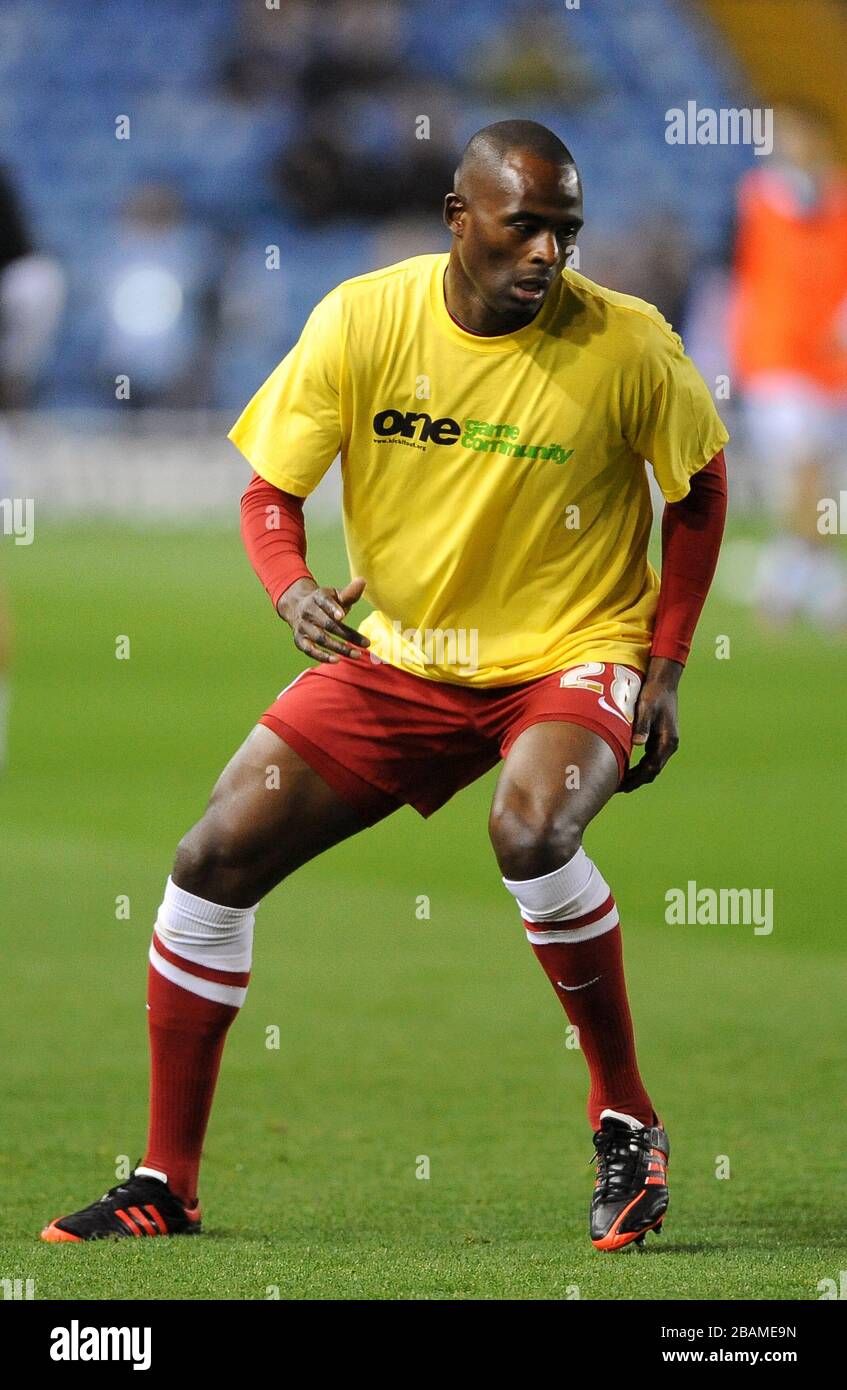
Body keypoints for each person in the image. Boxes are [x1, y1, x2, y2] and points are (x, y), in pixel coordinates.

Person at [42, 120, 728, 1252]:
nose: (550, 254)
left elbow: (695, 488)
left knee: (529, 828)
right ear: (461, 220)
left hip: (571, 648)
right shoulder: (364, 317)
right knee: (212, 858)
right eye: (525, 227)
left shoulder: (629, 344)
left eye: (566, 230)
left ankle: (625, 1117)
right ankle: (166, 1179)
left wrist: (663, 664)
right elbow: (273, 487)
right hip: (406, 658)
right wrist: (288, 585)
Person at [730, 101, 847, 627]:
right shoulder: (759, 196)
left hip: (831, 362)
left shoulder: (839, 198)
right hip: (774, 358)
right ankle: (808, 590)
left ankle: (792, 583)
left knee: (815, 480)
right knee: (802, 470)